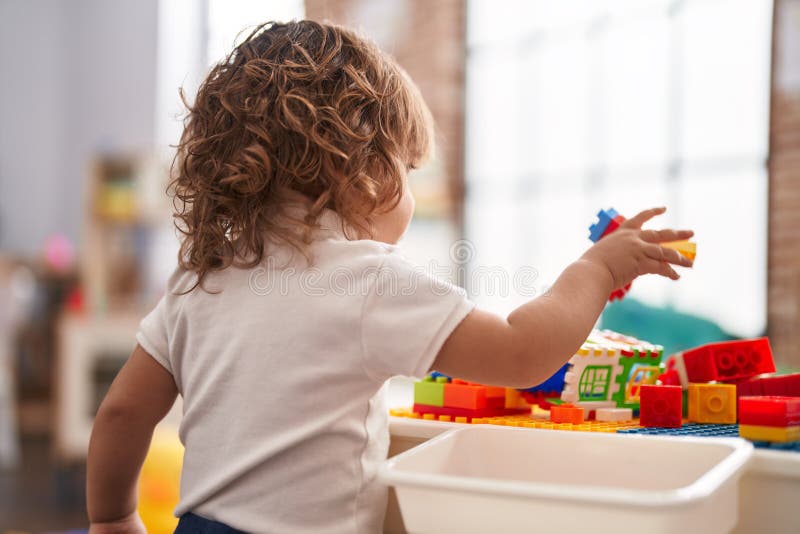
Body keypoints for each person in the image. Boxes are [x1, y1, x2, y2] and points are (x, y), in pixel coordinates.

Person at [86, 20, 693, 534]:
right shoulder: (369, 281)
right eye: (408, 166)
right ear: (370, 172)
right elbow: (524, 350)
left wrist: (113, 521)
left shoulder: (200, 280)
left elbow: (120, 415)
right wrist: (596, 267)